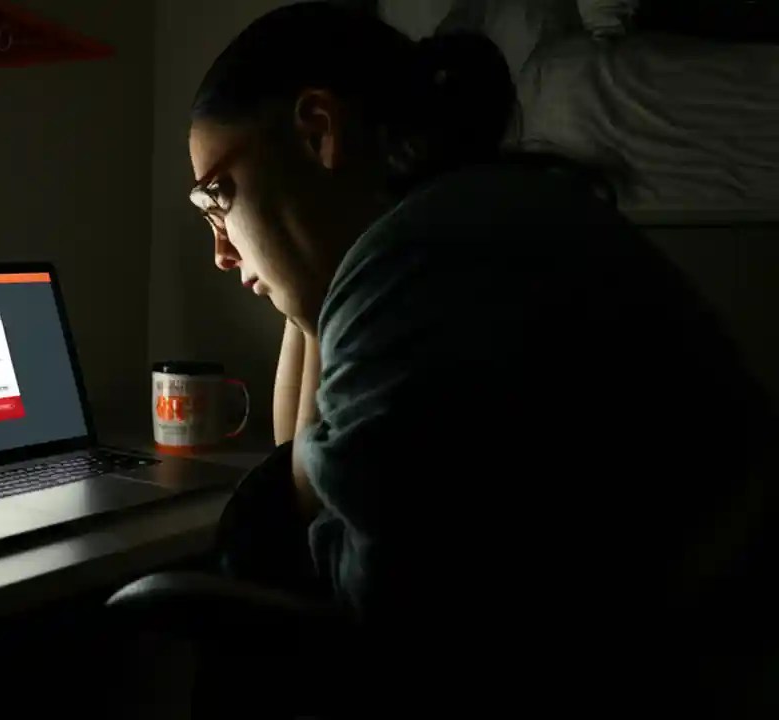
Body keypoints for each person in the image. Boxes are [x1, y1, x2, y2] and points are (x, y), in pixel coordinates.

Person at [187, 2, 775, 714]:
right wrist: (306, 295)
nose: (221, 252)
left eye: (220, 197)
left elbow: (376, 605)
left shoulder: (421, 262)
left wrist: (311, 289)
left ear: (317, 132)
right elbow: (309, 479)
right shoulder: (466, 223)